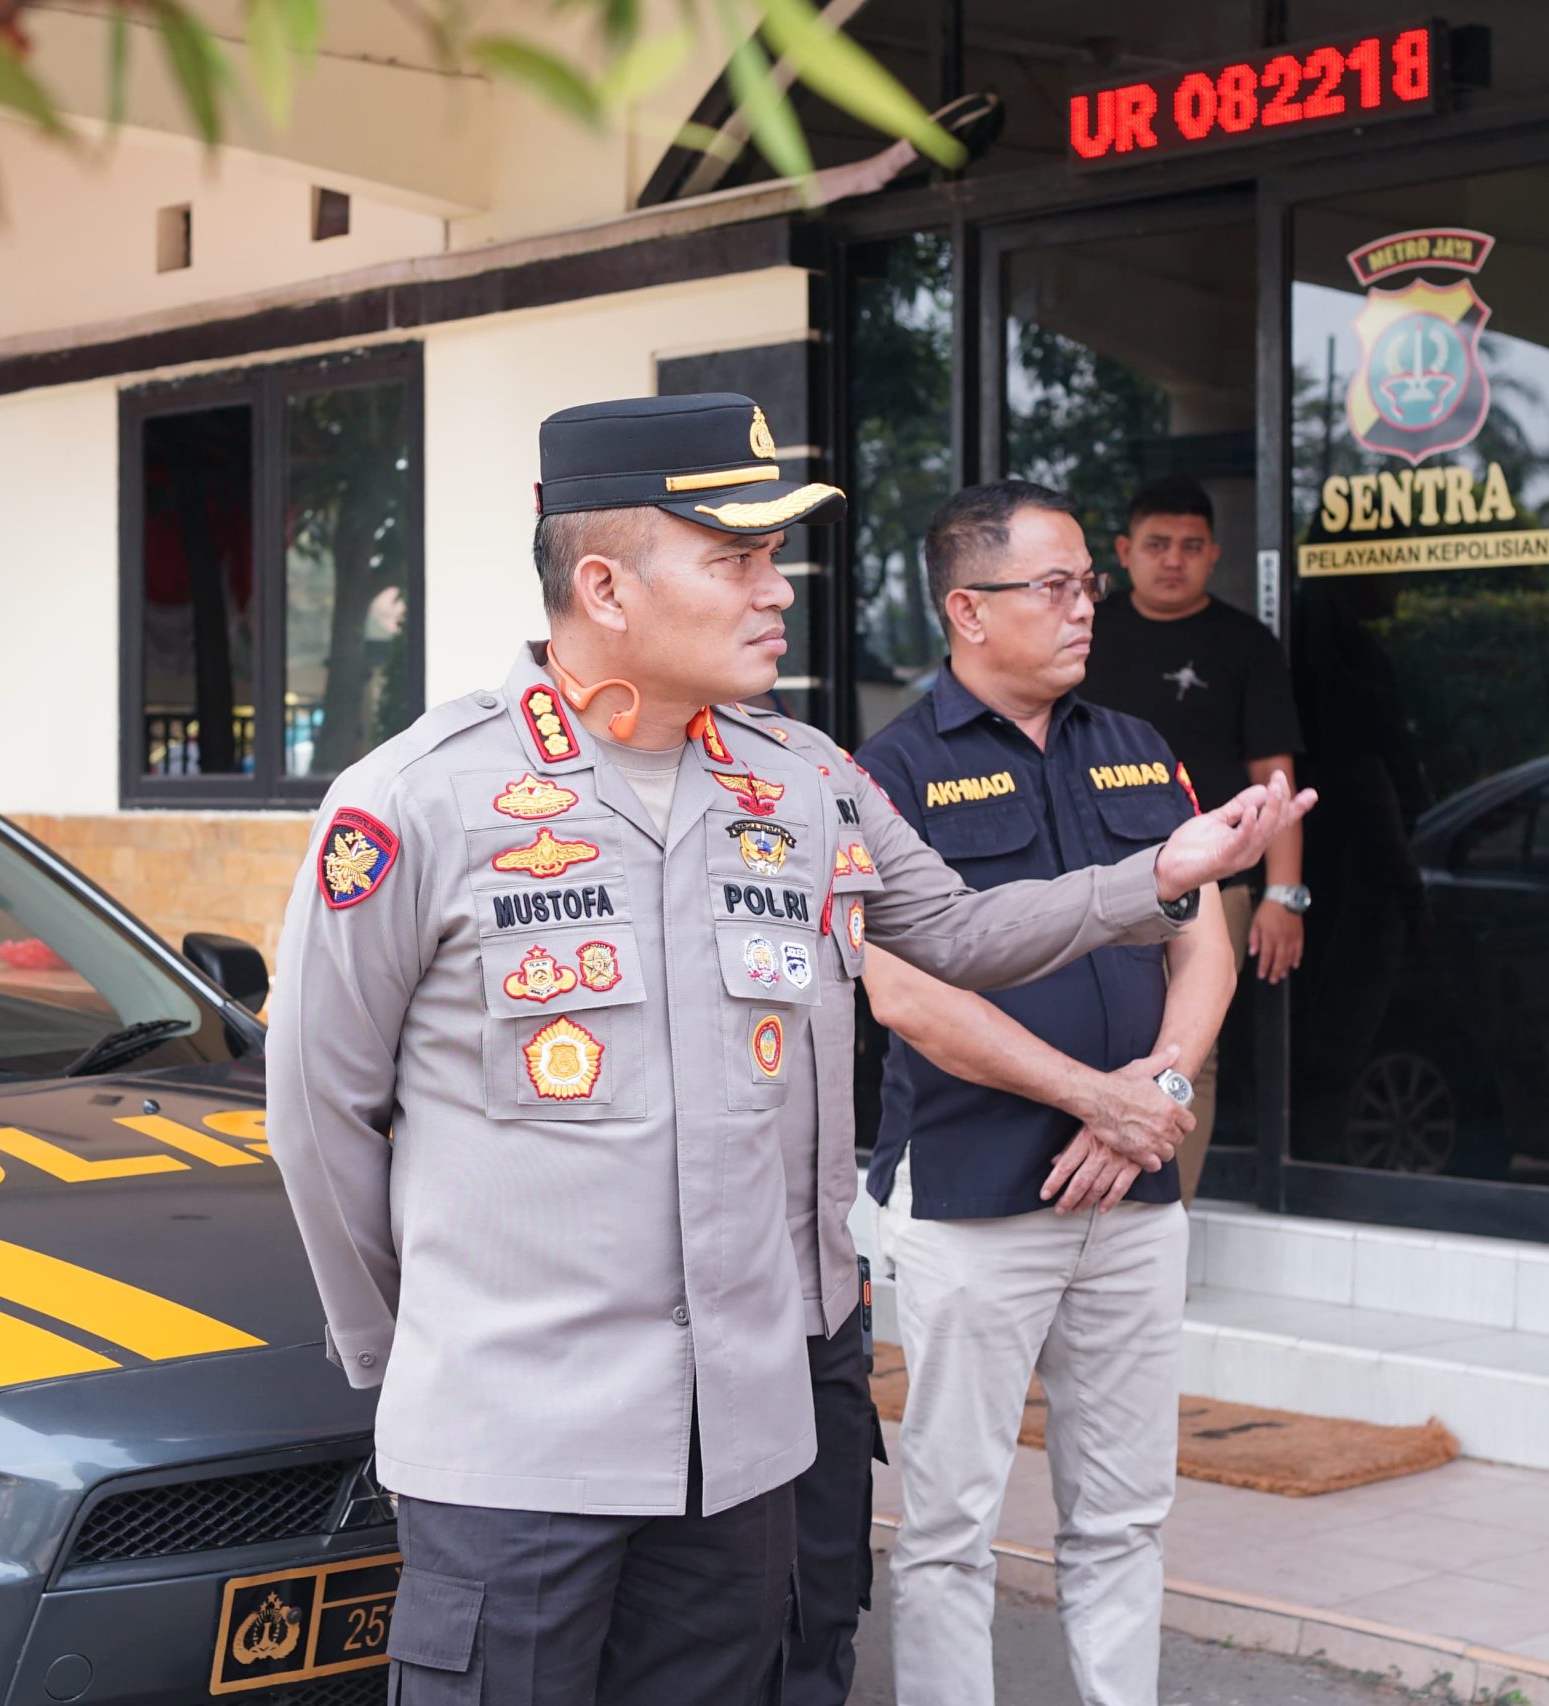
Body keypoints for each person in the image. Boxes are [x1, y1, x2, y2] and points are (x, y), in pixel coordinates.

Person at [265, 395, 1314, 1706]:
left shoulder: (800, 777)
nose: (779, 590)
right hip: (515, 1448)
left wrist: (1155, 872)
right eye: (736, 557)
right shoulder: (418, 800)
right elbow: (317, 1115)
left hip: (740, 1451)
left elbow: (961, 929)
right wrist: (429, 1346)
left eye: (777, 555)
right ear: (605, 582)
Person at [858, 479, 1241, 1706]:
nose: (1091, 606)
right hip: (974, 1197)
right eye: (1061, 584)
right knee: (950, 1521)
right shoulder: (886, 771)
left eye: (1090, 582)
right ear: (967, 609)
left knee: (1127, 1508)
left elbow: (1205, 938)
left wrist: (1160, 1086)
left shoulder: (1132, 743)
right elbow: (905, 993)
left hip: (1131, 1190)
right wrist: (1098, 1095)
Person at [1080, 474, 1310, 1205]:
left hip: (1218, 881)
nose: (1171, 560)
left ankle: (1159, 1225)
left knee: (1188, 1053)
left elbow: (1276, 776)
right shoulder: (1088, 629)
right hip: (1092, 873)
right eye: (1155, 545)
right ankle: (1083, 1218)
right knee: (1084, 1037)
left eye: (1188, 546)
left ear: (1213, 554)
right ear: (1124, 550)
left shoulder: (1245, 643)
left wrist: (1284, 893)